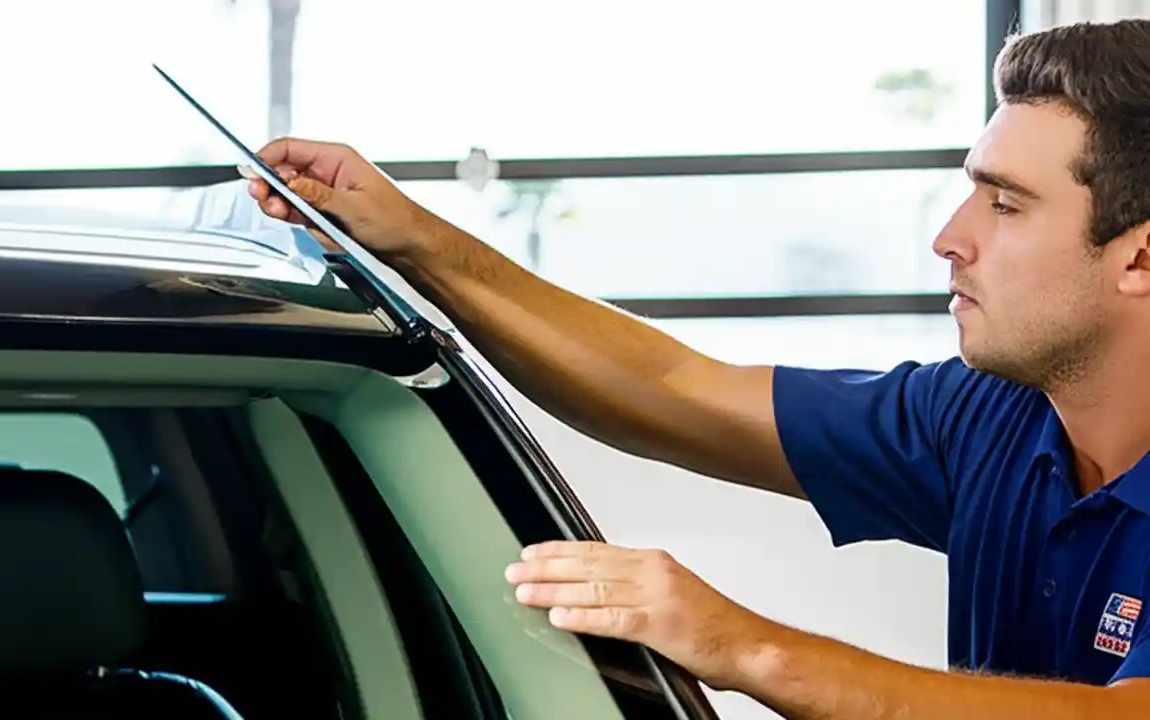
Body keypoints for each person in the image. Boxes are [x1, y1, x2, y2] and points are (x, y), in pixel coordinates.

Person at [248, 19, 1150, 718]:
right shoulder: (991, 416)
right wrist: (417, 241)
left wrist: (743, 646)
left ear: (1139, 259)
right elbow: (676, 392)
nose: (951, 238)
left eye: (1006, 204)